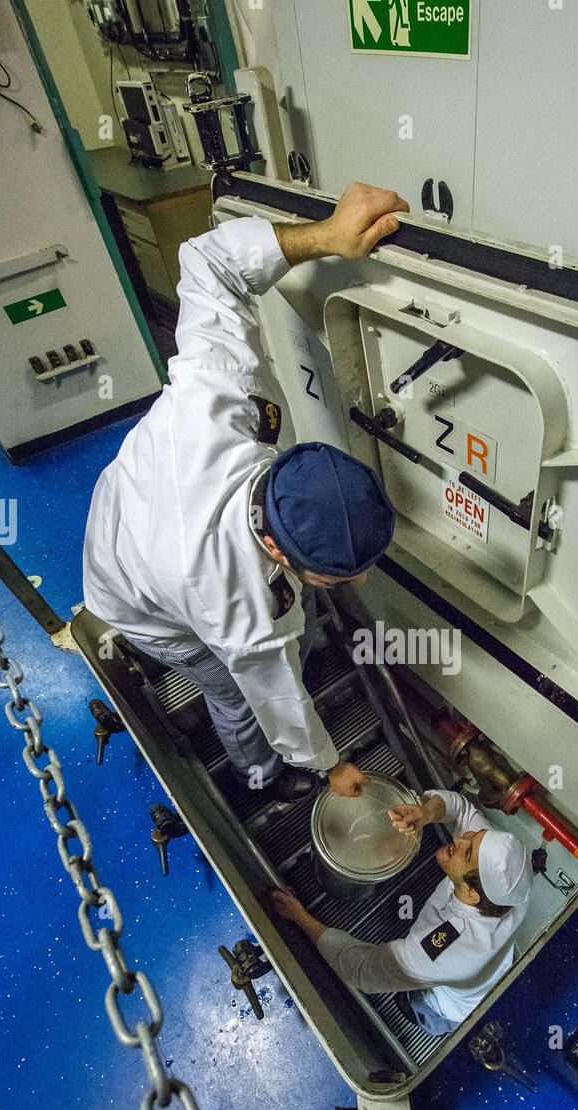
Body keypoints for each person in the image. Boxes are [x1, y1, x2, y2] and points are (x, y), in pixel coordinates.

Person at [82, 182, 409, 802]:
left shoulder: (223, 393)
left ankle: (307, 648)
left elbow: (208, 260)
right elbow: (277, 699)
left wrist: (329, 237)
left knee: (292, 637)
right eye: (343, 577)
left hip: (134, 506)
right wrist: (326, 764)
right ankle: (255, 775)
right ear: (280, 556)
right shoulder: (240, 610)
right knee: (232, 694)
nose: (361, 584)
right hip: (139, 596)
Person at [272, 789, 534, 1034]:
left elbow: (360, 970)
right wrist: (427, 812)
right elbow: (463, 809)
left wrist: (299, 916)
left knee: (416, 1003)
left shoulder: (439, 949)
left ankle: (415, 1008)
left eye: (466, 852)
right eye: (471, 838)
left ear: (473, 894)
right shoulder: (509, 877)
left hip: (450, 1006)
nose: (459, 838)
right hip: (493, 968)